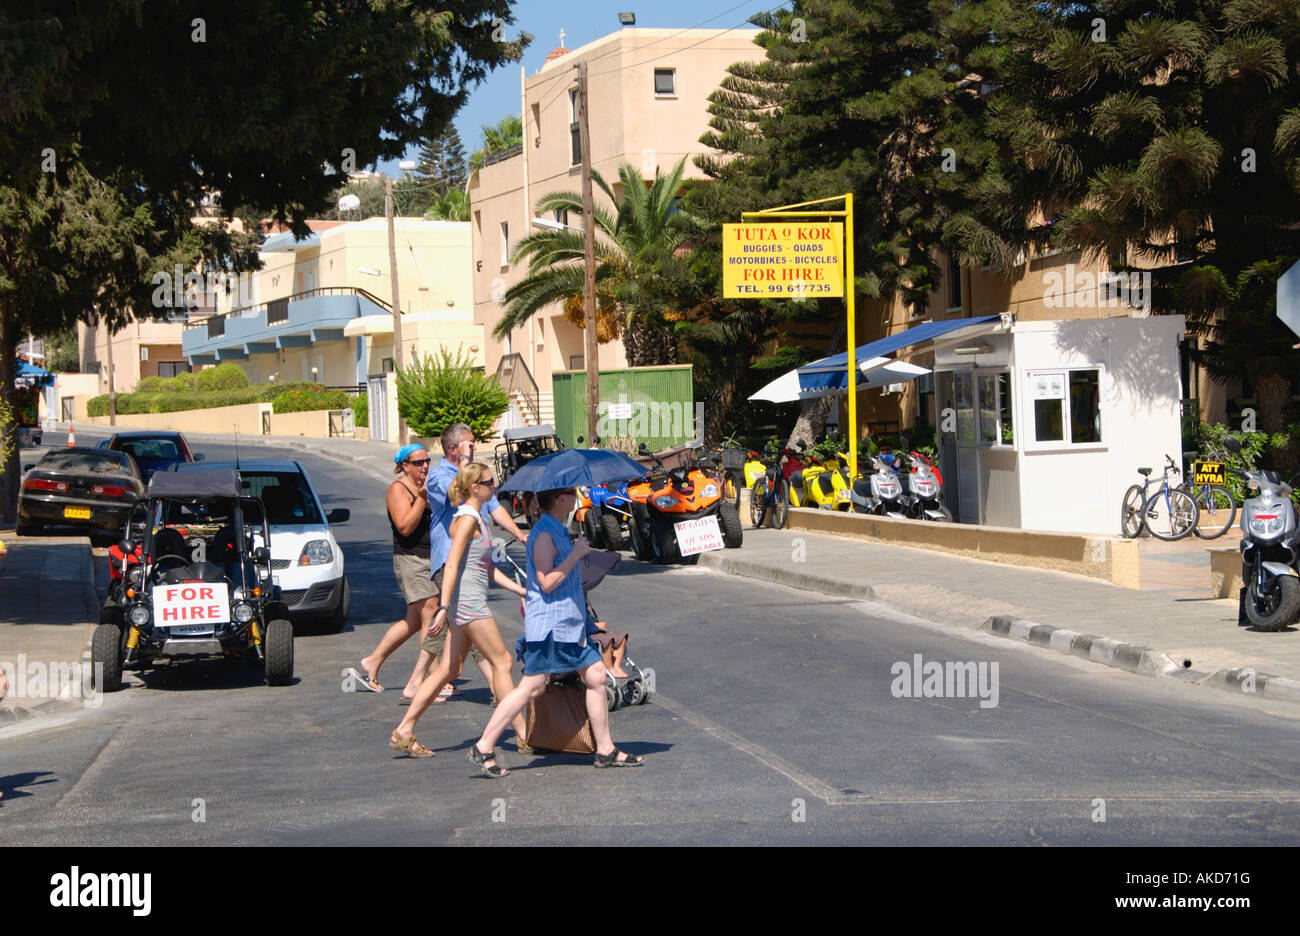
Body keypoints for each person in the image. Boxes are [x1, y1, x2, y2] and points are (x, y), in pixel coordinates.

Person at [467, 487, 644, 777]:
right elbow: (546, 581)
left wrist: (578, 550)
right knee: (531, 687)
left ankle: (605, 749)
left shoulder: (558, 530)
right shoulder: (544, 535)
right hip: (552, 628)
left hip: (570, 627)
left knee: (597, 676)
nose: (575, 498)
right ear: (561, 499)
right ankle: (484, 744)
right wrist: (575, 555)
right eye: (572, 494)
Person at [389, 463, 529, 757]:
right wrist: (443, 607)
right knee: (502, 663)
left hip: (465, 603)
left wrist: (520, 590)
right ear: (475, 488)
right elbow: (451, 565)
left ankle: (404, 729)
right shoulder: (467, 519)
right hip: (469, 605)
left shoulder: (476, 517)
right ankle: (523, 734)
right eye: (491, 482)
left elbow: (485, 567)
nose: (495, 486)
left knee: (449, 670)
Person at [418, 423, 526, 697]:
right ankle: (502, 696)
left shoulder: (479, 483)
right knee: (492, 653)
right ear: (453, 449)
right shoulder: (439, 476)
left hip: (473, 565)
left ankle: (412, 702)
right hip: (450, 563)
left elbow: (495, 507)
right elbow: (456, 500)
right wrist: (466, 464)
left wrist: (518, 533)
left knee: (452, 665)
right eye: (469, 443)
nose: (475, 446)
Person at [353, 445, 442, 695]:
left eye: (427, 460)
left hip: (430, 559)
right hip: (411, 560)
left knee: (413, 621)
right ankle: (433, 682)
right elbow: (404, 527)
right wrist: (422, 499)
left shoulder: (425, 487)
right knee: (431, 614)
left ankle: (373, 661)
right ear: (405, 466)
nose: (425, 466)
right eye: (418, 462)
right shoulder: (397, 489)